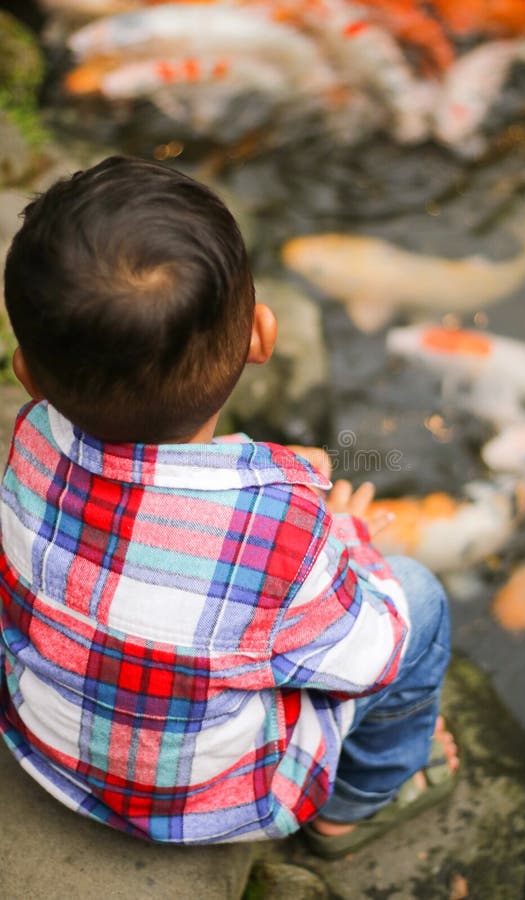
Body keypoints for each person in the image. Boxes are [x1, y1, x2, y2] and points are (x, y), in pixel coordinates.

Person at [0, 156, 457, 857]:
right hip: (211, 802)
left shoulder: (29, 439)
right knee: (417, 602)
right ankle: (355, 804)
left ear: (26, 373)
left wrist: (275, 485)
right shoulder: (282, 530)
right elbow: (370, 656)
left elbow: (149, 506)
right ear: (263, 337)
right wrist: (349, 538)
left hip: (44, 743)